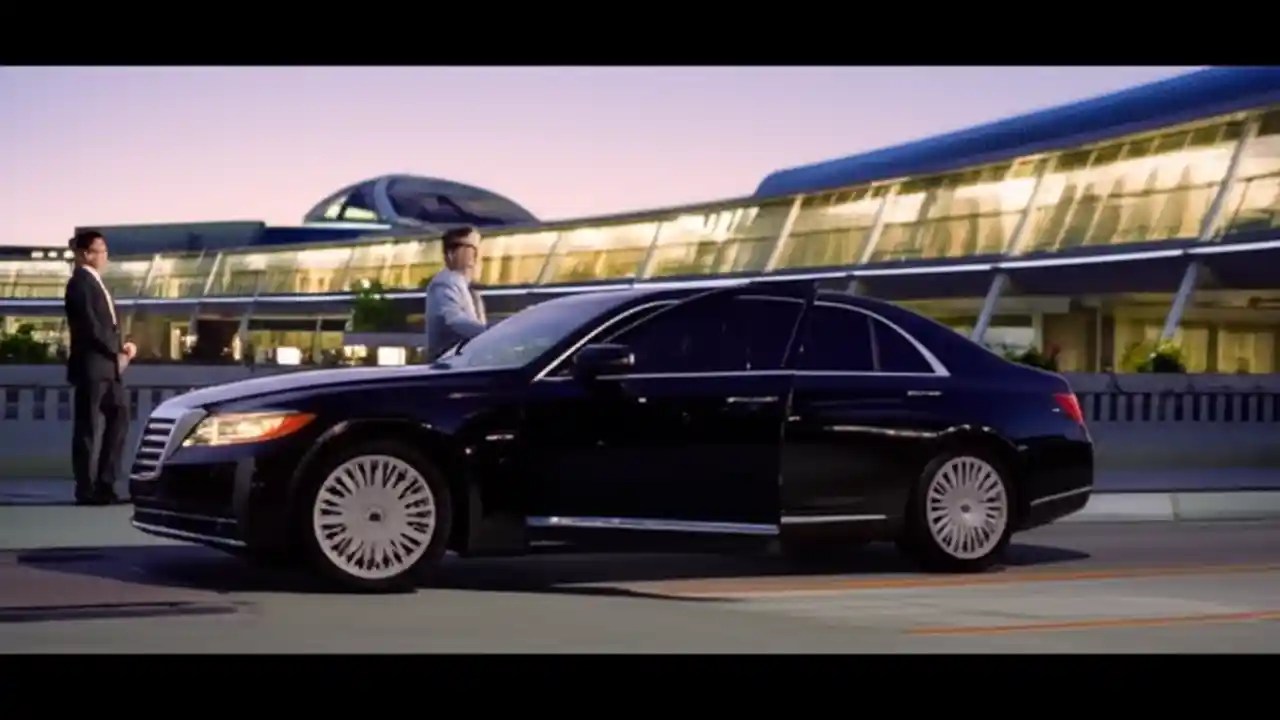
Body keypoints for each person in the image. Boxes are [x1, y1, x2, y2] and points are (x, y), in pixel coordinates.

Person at [63, 229, 135, 505]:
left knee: (119, 419)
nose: (105, 255)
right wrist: (117, 351)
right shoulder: (78, 283)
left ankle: (106, 484)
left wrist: (122, 349)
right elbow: (90, 327)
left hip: (109, 367)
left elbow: (107, 325)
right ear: (84, 254)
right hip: (92, 366)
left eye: (105, 250)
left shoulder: (97, 283)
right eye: (100, 250)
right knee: (88, 429)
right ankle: (86, 488)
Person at [424, 225, 488, 361]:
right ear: (450, 254)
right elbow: (455, 319)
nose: (477, 255)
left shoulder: (469, 288)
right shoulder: (445, 282)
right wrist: (492, 333)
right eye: (471, 248)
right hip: (449, 366)